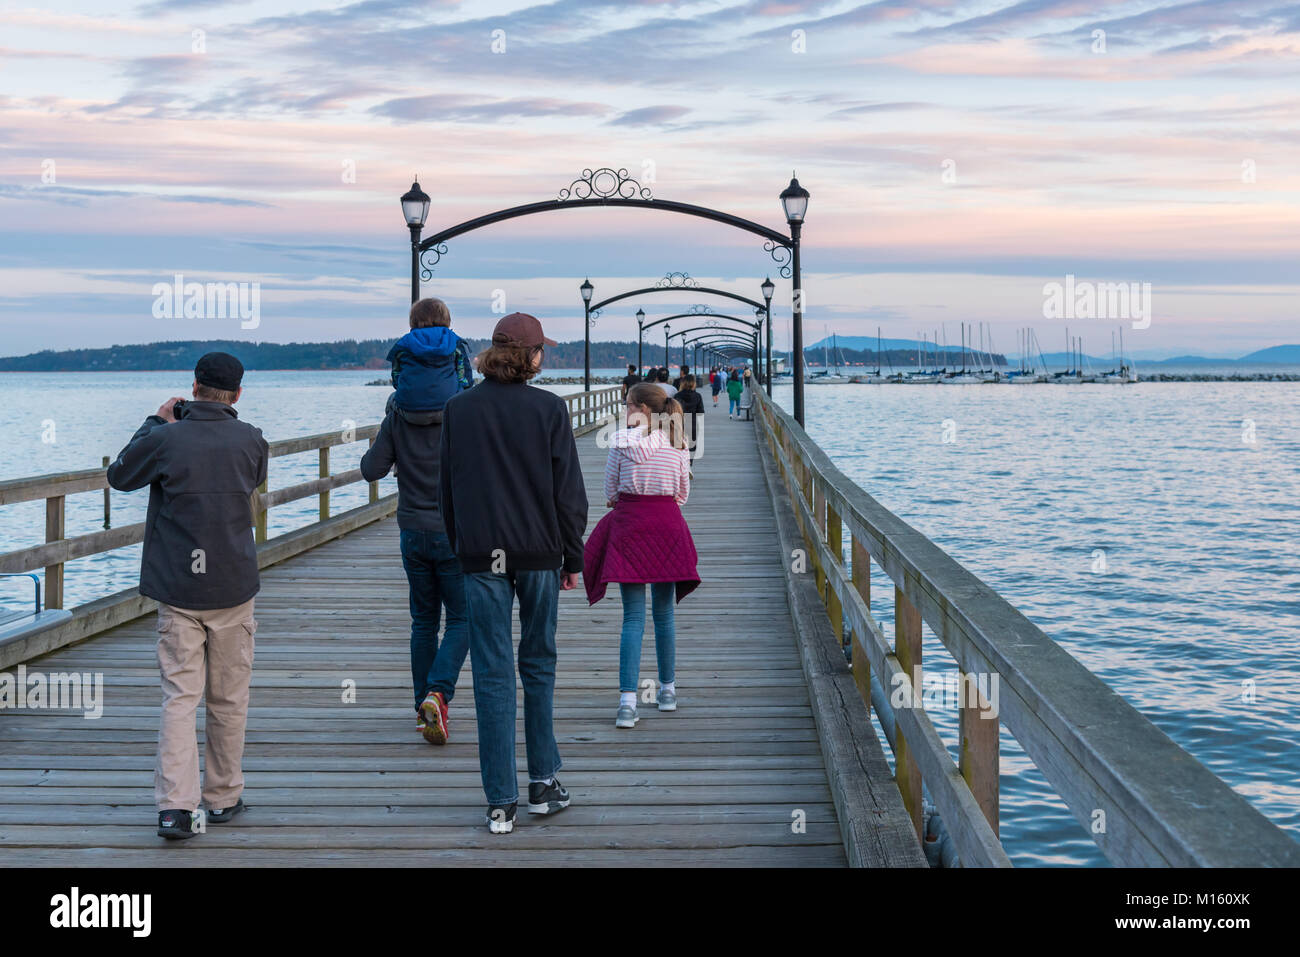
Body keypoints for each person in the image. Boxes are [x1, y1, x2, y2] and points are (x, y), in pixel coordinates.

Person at [106, 352, 269, 841]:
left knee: (180, 697)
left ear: (192, 388)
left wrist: (156, 418)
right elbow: (253, 479)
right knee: (229, 697)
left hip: (179, 587)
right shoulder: (253, 441)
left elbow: (120, 475)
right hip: (234, 584)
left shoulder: (164, 438)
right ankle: (222, 797)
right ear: (238, 394)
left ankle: (176, 808)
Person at [439, 312, 588, 834]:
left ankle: (500, 801)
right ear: (531, 356)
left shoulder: (459, 409)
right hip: (539, 554)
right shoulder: (548, 408)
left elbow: (447, 490)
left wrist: (462, 548)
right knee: (539, 664)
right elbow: (568, 492)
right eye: (540, 349)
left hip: (481, 556)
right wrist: (574, 558)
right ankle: (543, 784)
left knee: (492, 673)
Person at [361, 303, 469, 745]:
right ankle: (438, 694)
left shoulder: (397, 414)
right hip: (456, 532)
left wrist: (389, 433)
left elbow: (371, 470)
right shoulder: (465, 411)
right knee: (463, 617)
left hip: (412, 530)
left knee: (423, 621)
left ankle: (422, 706)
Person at [584, 383, 699, 728]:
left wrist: (628, 497)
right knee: (664, 615)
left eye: (627, 405)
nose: (624, 411)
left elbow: (609, 491)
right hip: (666, 528)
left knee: (632, 618)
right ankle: (666, 691)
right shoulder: (678, 442)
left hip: (630, 528)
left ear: (643, 411)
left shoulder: (620, 444)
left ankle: (627, 704)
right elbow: (682, 493)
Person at [386, 297, 473, 414]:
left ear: (413, 320)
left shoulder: (404, 344)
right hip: (449, 409)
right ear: (447, 319)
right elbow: (465, 380)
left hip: (411, 411)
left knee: (392, 399)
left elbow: (397, 379)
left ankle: (393, 431)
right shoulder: (454, 342)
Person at [675, 374, 705, 459]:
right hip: (693, 424)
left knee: (680, 447)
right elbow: (701, 412)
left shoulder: (677, 396)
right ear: (694, 383)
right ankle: (689, 465)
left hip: (680, 424)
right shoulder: (697, 396)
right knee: (691, 447)